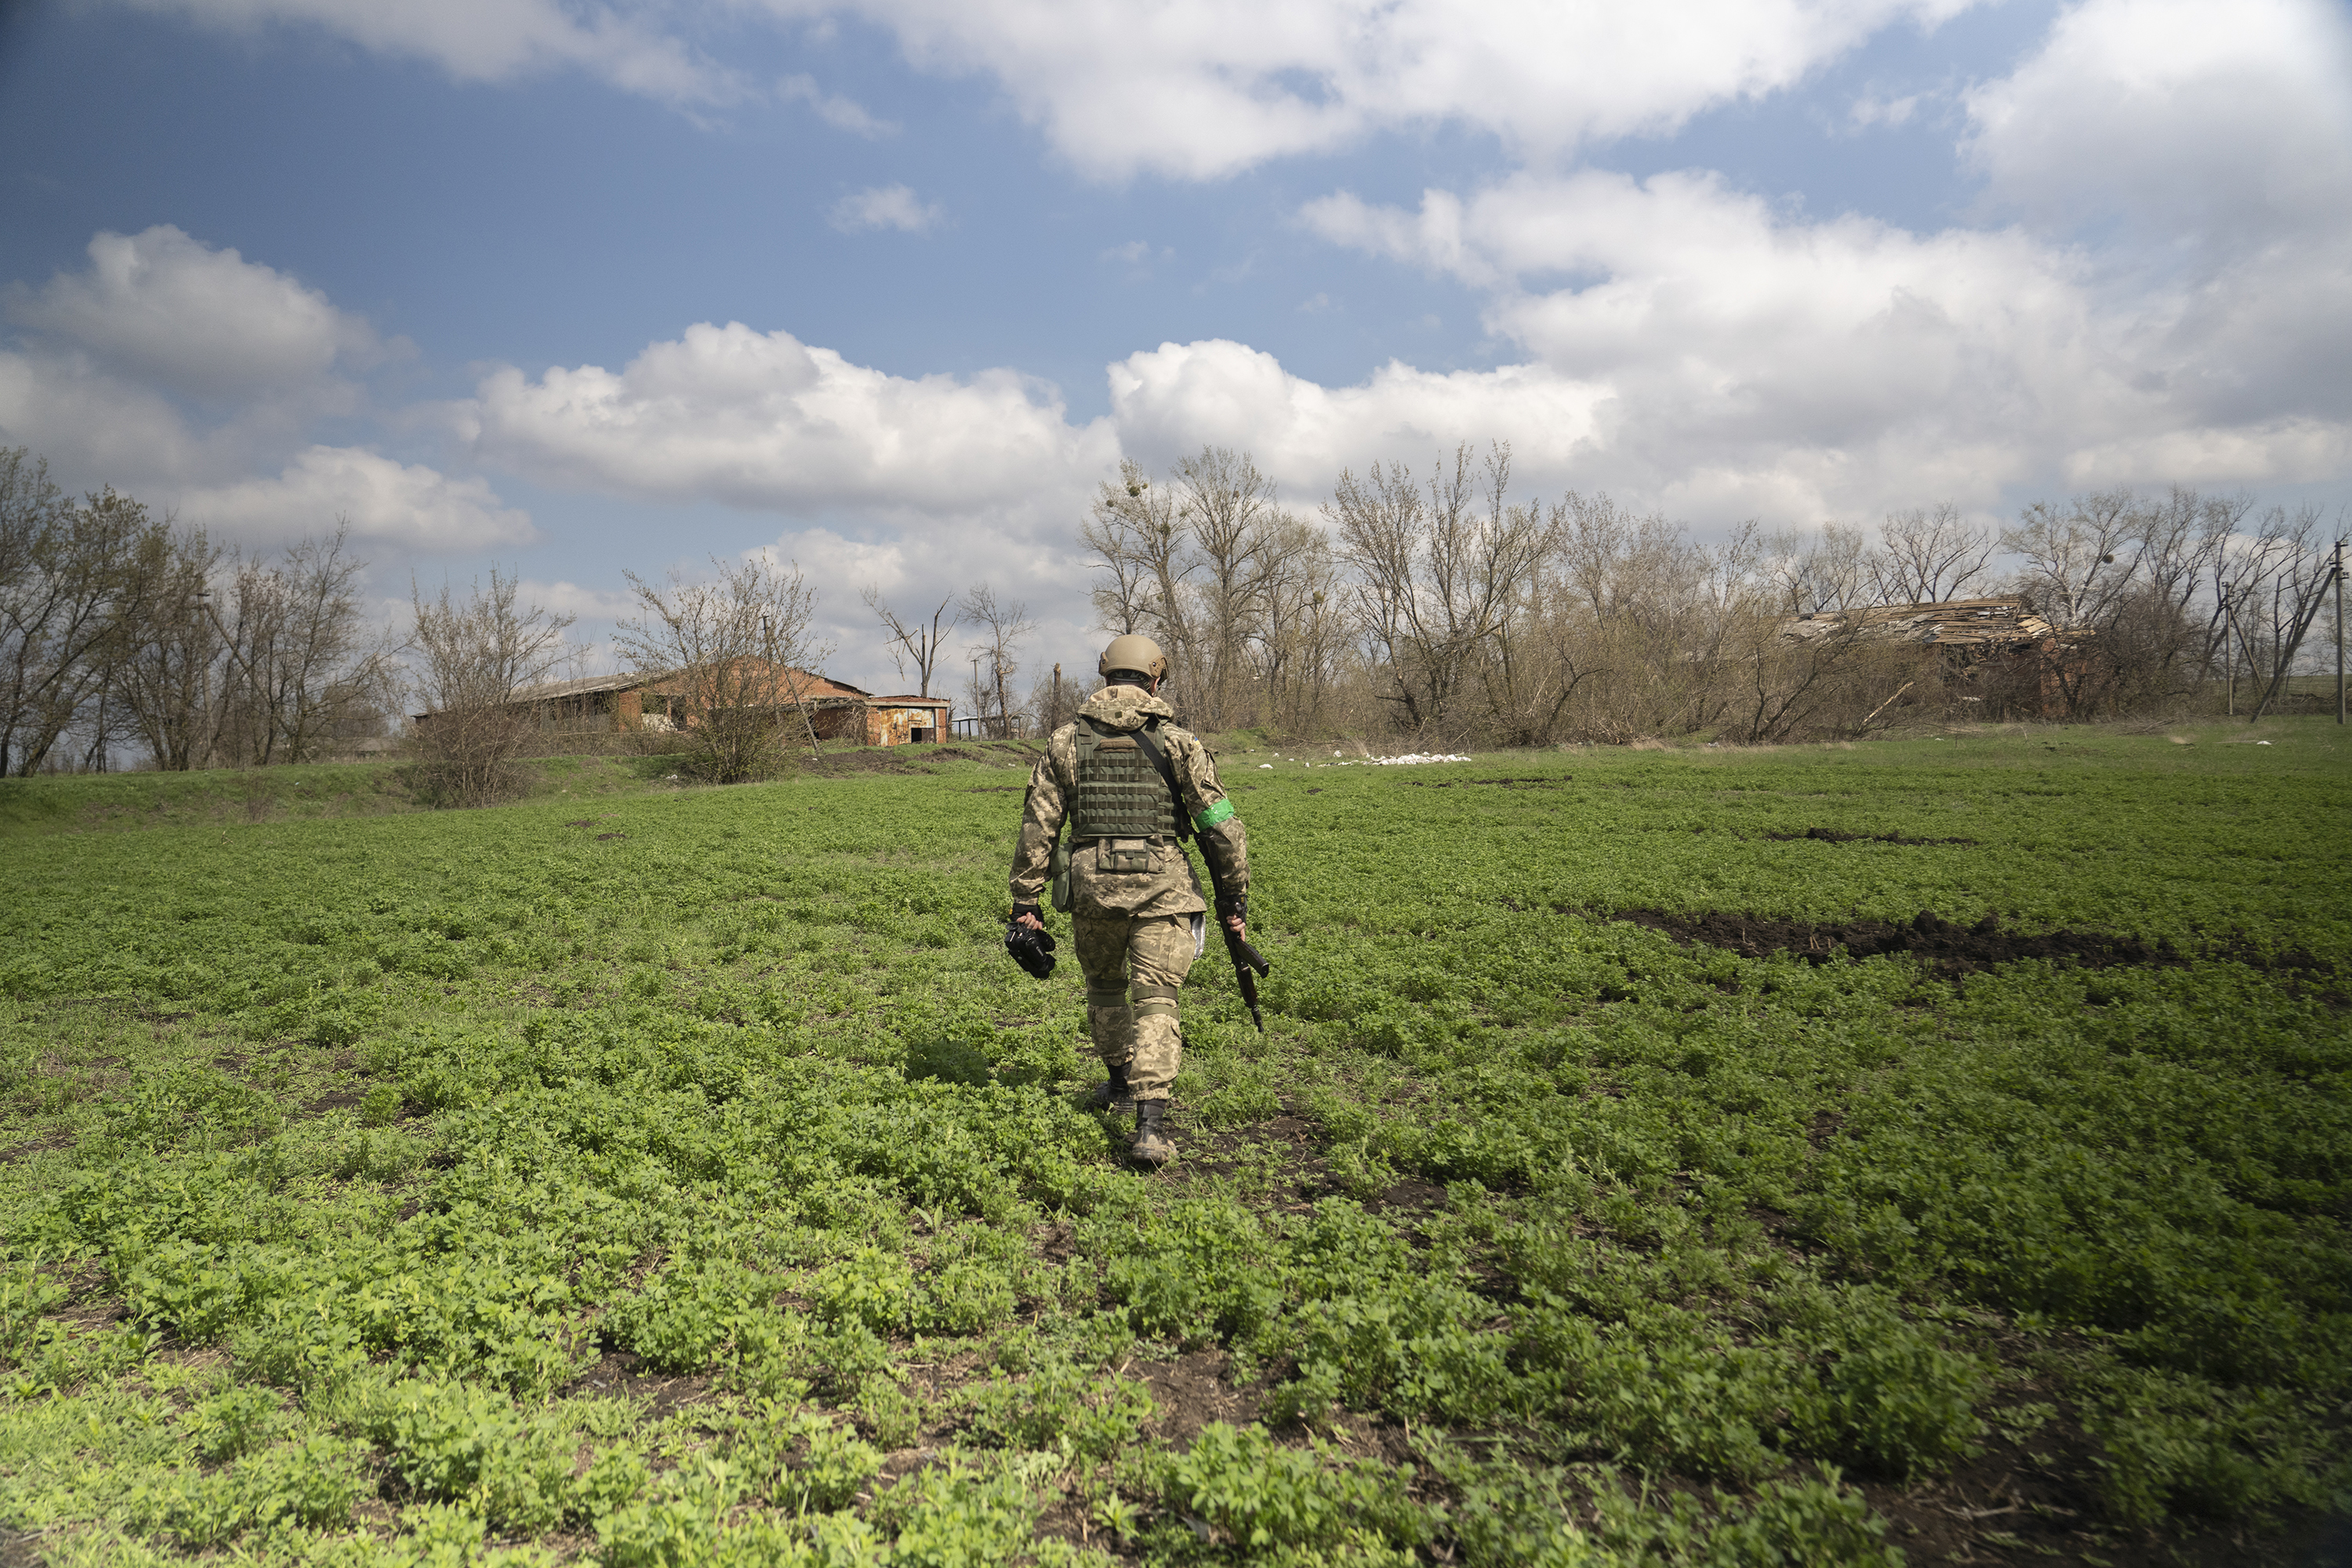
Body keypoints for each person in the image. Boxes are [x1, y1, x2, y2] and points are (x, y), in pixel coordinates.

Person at [1007, 634, 1249, 1167]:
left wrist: (1027, 900)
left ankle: (1118, 1082)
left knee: (1106, 990)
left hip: (1091, 890)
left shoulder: (1064, 742)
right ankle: (1150, 1127)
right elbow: (1219, 824)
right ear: (1155, 679)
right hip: (1163, 888)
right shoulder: (1179, 743)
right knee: (1157, 997)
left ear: (1105, 676)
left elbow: (1038, 827)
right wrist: (1234, 896)